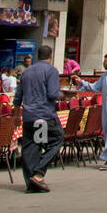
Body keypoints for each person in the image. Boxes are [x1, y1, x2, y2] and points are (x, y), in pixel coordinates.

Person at [13, 44, 63, 194]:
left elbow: (17, 97)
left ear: (37, 56)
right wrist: (64, 95)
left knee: (31, 146)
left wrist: (16, 115)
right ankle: (39, 172)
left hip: (29, 116)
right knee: (57, 139)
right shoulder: (51, 71)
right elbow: (53, 94)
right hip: (45, 115)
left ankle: (31, 181)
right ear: (51, 56)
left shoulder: (26, 73)